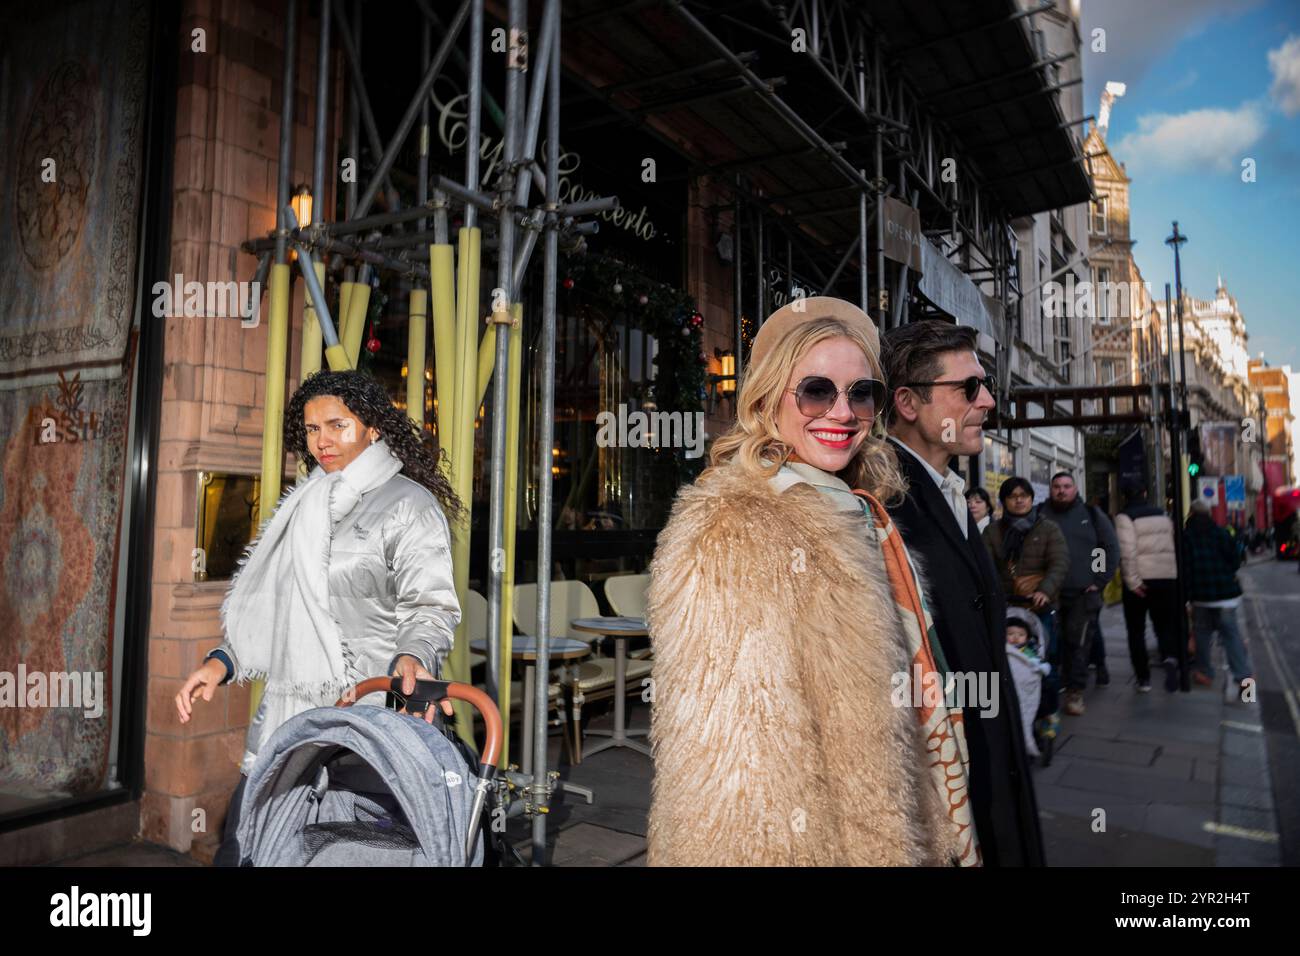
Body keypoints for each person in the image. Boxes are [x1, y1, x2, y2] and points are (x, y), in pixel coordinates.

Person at [647, 298, 977, 866]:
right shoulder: (734, 528)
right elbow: (740, 774)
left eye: (861, 393)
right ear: (767, 399)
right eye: (817, 391)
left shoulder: (861, 513)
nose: (843, 412)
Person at [175, 370, 463, 866]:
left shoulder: (409, 506)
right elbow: (277, 607)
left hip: (371, 719)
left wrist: (414, 655)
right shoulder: (304, 504)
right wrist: (221, 662)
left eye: (337, 425)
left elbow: (429, 606)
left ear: (372, 427)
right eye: (312, 429)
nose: (322, 441)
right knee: (244, 849)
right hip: (289, 724)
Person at [881, 319, 1044, 867]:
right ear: (908, 402)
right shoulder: (882, 506)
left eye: (985, 384)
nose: (987, 400)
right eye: (968, 387)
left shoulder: (949, 488)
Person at [1036, 472, 1119, 716]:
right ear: (1051, 489)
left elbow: (1105, 547)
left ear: (1075, 489)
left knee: (1078, 644)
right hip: (1048, 593)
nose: (1061, 491)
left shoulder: (1091, 515)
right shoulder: (1040, 513)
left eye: (1066, 486)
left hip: (1082, 594)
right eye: (1057, 486)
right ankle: (1053, 688)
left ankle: (1075, 692)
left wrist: (1097, 580)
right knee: (1050, 645)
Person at [1113, 481, 1180, 693]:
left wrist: (1132, 581)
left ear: (1124, 496)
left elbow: (1127, 552)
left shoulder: (1125, 517)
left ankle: (1143, 678)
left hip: (1141, 581)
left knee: (1136, 630)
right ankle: (1169, 658)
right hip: (1166, 578)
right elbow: (1173, 544)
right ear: (1144, 493)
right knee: (1164, 626)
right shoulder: (1162, 514)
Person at [1185, 499, 1255, 692]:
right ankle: (1245, 681)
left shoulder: (1187, 536)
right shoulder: (1221, 533)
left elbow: (1186, 570)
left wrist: (1187, 597)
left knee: (1202, 635)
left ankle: (1205, 673)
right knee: (1231, 636)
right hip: (1226, 596)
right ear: (1209, 514)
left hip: (1201, 596)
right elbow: (1235, 561)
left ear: (1191, 514)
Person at [982, 477, 1069, 618]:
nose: (1019, 500)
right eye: (1012, 496)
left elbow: (1059, 563)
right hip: (1004, 604)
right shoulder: (992, 531)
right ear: (1004, 501)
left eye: (1024, 496)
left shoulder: (1048, 528)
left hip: (1038, 603)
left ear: (1031, 499)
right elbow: (985, 566)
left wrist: (1045, 591)